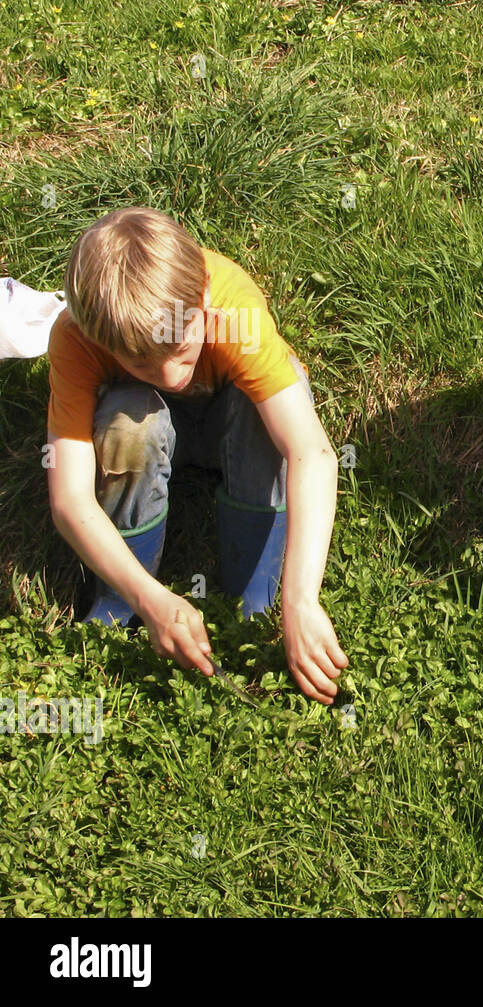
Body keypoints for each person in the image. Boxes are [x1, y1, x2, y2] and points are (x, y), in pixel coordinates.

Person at [45, 206, 347, 703]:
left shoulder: (235, 312)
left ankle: (259, 596)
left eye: (181, 349)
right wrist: (151, 599)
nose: (170, 376)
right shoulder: (75, 338)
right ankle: (122, 600)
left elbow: (311, 452)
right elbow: (69, 499)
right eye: (140, 362)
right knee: (127, 419)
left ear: (204, 298)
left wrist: (301, 600)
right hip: (154, 429)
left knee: (274, 392)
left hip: (232, 425)